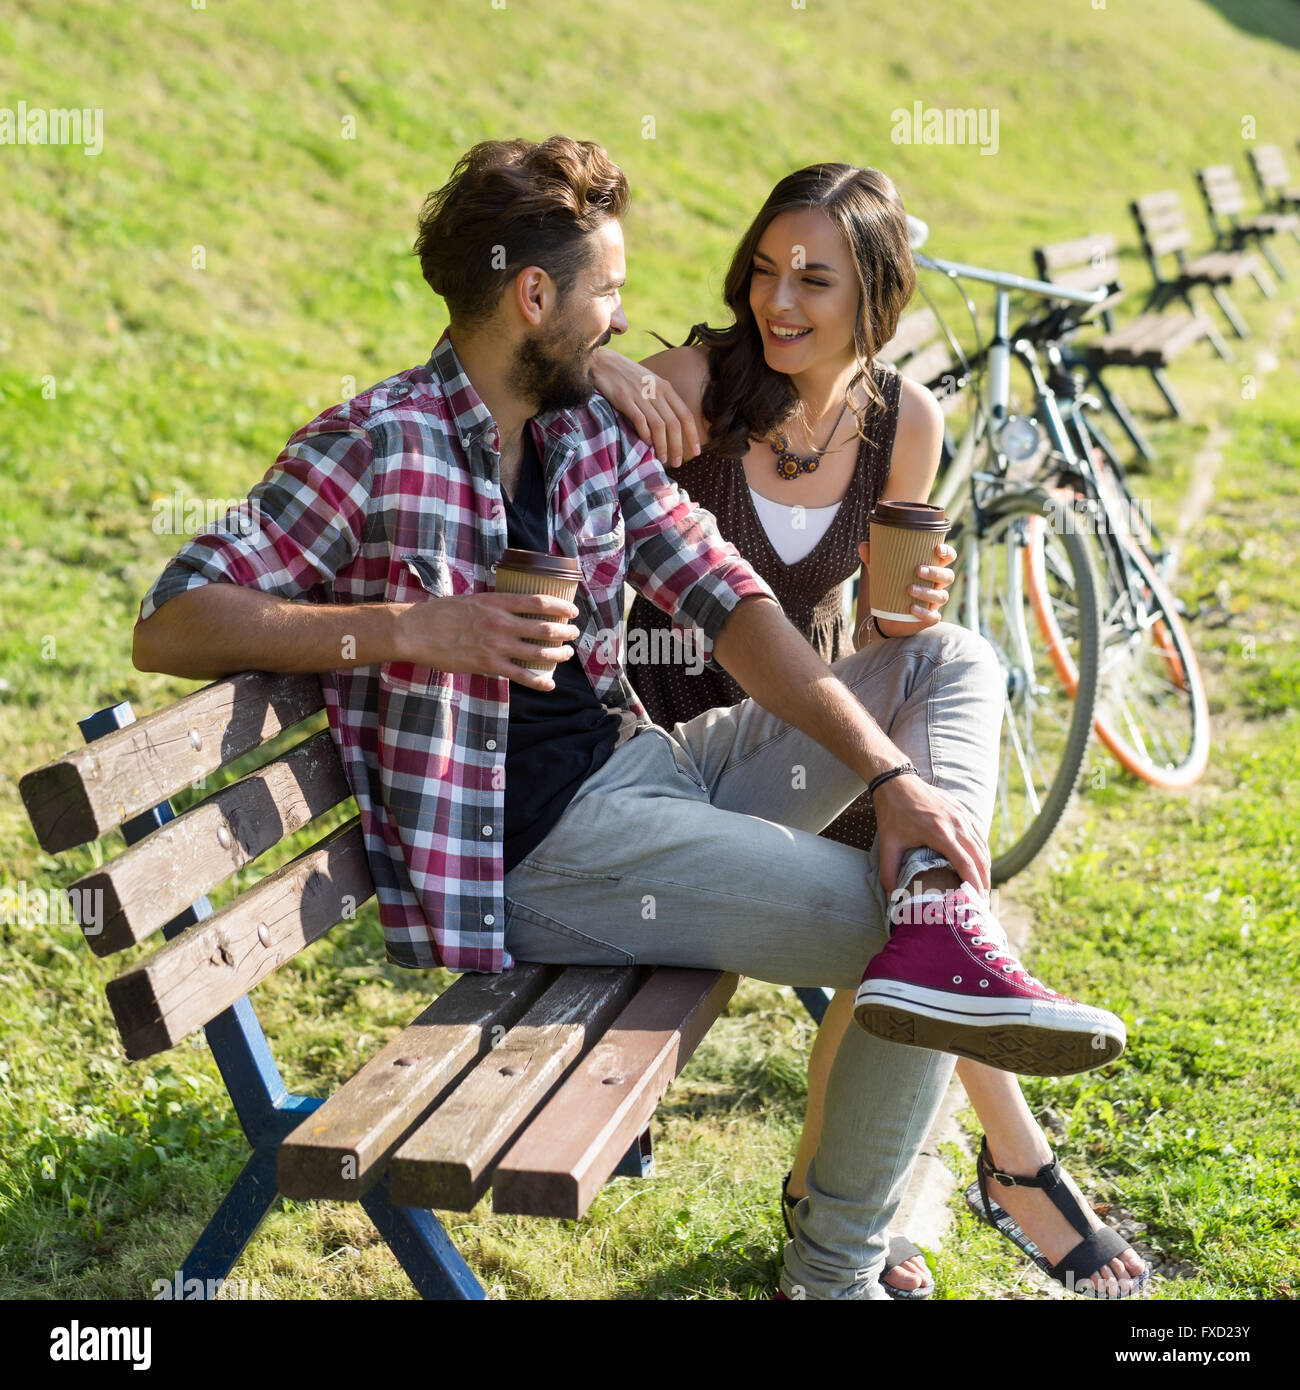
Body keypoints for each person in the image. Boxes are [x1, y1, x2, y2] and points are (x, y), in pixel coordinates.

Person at [132, 136, 1129, 1301]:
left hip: (647, 772)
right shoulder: (375, 444)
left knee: (950, 664)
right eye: (606, 292)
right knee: (901, 948)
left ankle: (935, 917)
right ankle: (834, 1272)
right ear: (535, 294)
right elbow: (172, 620)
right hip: (543, 856)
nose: (621, 320)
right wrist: (408, 627)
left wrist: (891, 779)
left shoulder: (579, 430)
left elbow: (729, 600)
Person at [588, 161, 1149, 1300]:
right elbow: (534, 415)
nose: (777, 302)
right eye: (764, 269)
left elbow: (890, 625)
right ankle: (1007, 1167)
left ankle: (872, 1197)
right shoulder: (697, 382)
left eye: (814, 280)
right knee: (922, 902)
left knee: (921, 865)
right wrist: (597, 358)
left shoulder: (906, 418)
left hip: (826, 728)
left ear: (876, 296)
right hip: (686, 752)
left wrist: (911, 608)